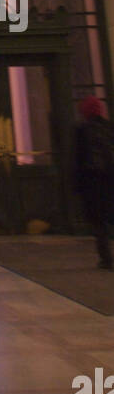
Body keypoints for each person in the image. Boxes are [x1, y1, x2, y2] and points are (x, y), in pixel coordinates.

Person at [73, 97, 114, 270]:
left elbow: (77, 160)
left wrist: (76, 185)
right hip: (111, 180)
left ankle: (106, 259)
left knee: (99, 224)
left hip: (93, 183)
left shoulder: (82, 131)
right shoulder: (110, 128)